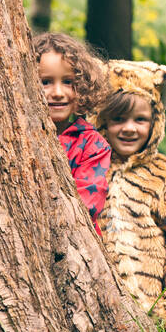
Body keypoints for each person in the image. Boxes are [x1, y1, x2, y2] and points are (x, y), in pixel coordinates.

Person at [93, 60, 166, 327]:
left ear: (155, 122)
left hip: (148, 306)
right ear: (102, 120)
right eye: (118, 119)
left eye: (141, 120)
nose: (129, 128)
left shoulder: (165, 174)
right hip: (94, 302)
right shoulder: (87, 164)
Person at [31, 32, 110, 235]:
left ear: (83, 86)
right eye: (45, 82)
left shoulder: (93, 145)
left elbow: (88, 203)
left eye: (68, 82)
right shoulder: (16, 134)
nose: (57, 92)